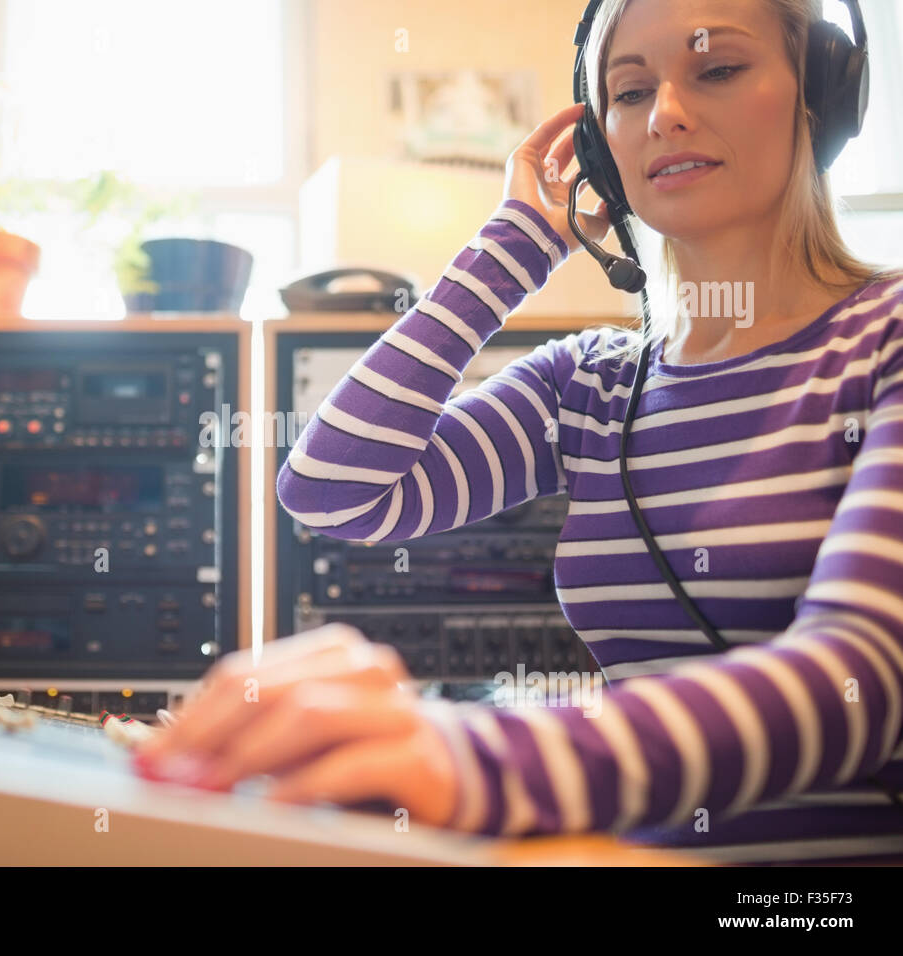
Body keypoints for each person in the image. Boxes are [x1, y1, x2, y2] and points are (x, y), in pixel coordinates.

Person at [135, 0, 903, 863]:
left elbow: (862, 680)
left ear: (824, 97)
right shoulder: (591, 384)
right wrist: (519, 243)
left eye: (716, 69)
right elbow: (332, 492)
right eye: (629, 90)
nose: (666, 114)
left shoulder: (890, 337)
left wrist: (472, 755)